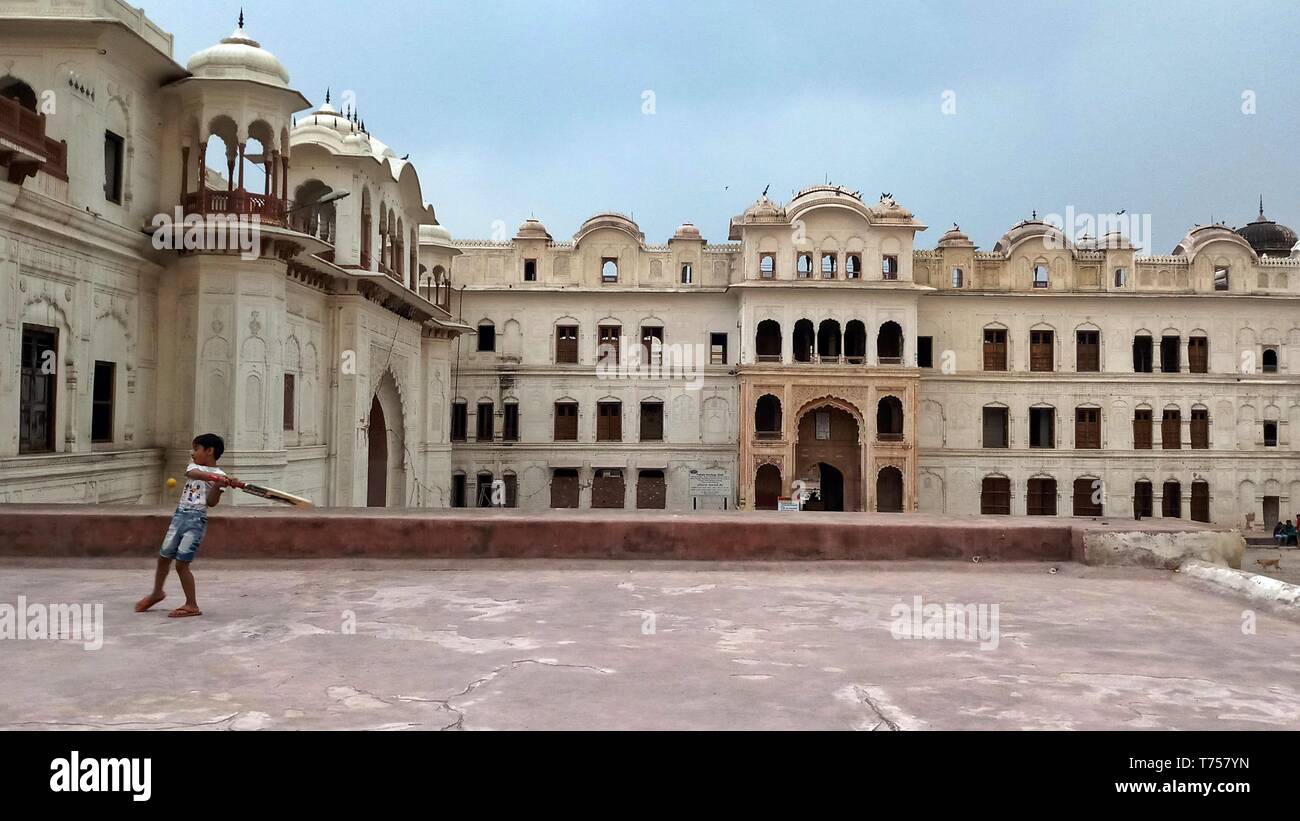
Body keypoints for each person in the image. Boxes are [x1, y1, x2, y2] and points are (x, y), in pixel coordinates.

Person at [135, 433, 235, 618]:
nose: (192, 452)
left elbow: (211, 502)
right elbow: (191, 473)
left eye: (196, 449)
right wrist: (215, 478)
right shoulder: (195, 467)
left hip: (196, 521)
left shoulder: (221, 476)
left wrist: (220, 485)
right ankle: (157, 592)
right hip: (179, 517)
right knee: (164, 557)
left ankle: (192, 604)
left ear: (210, 451)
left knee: (182, 564)